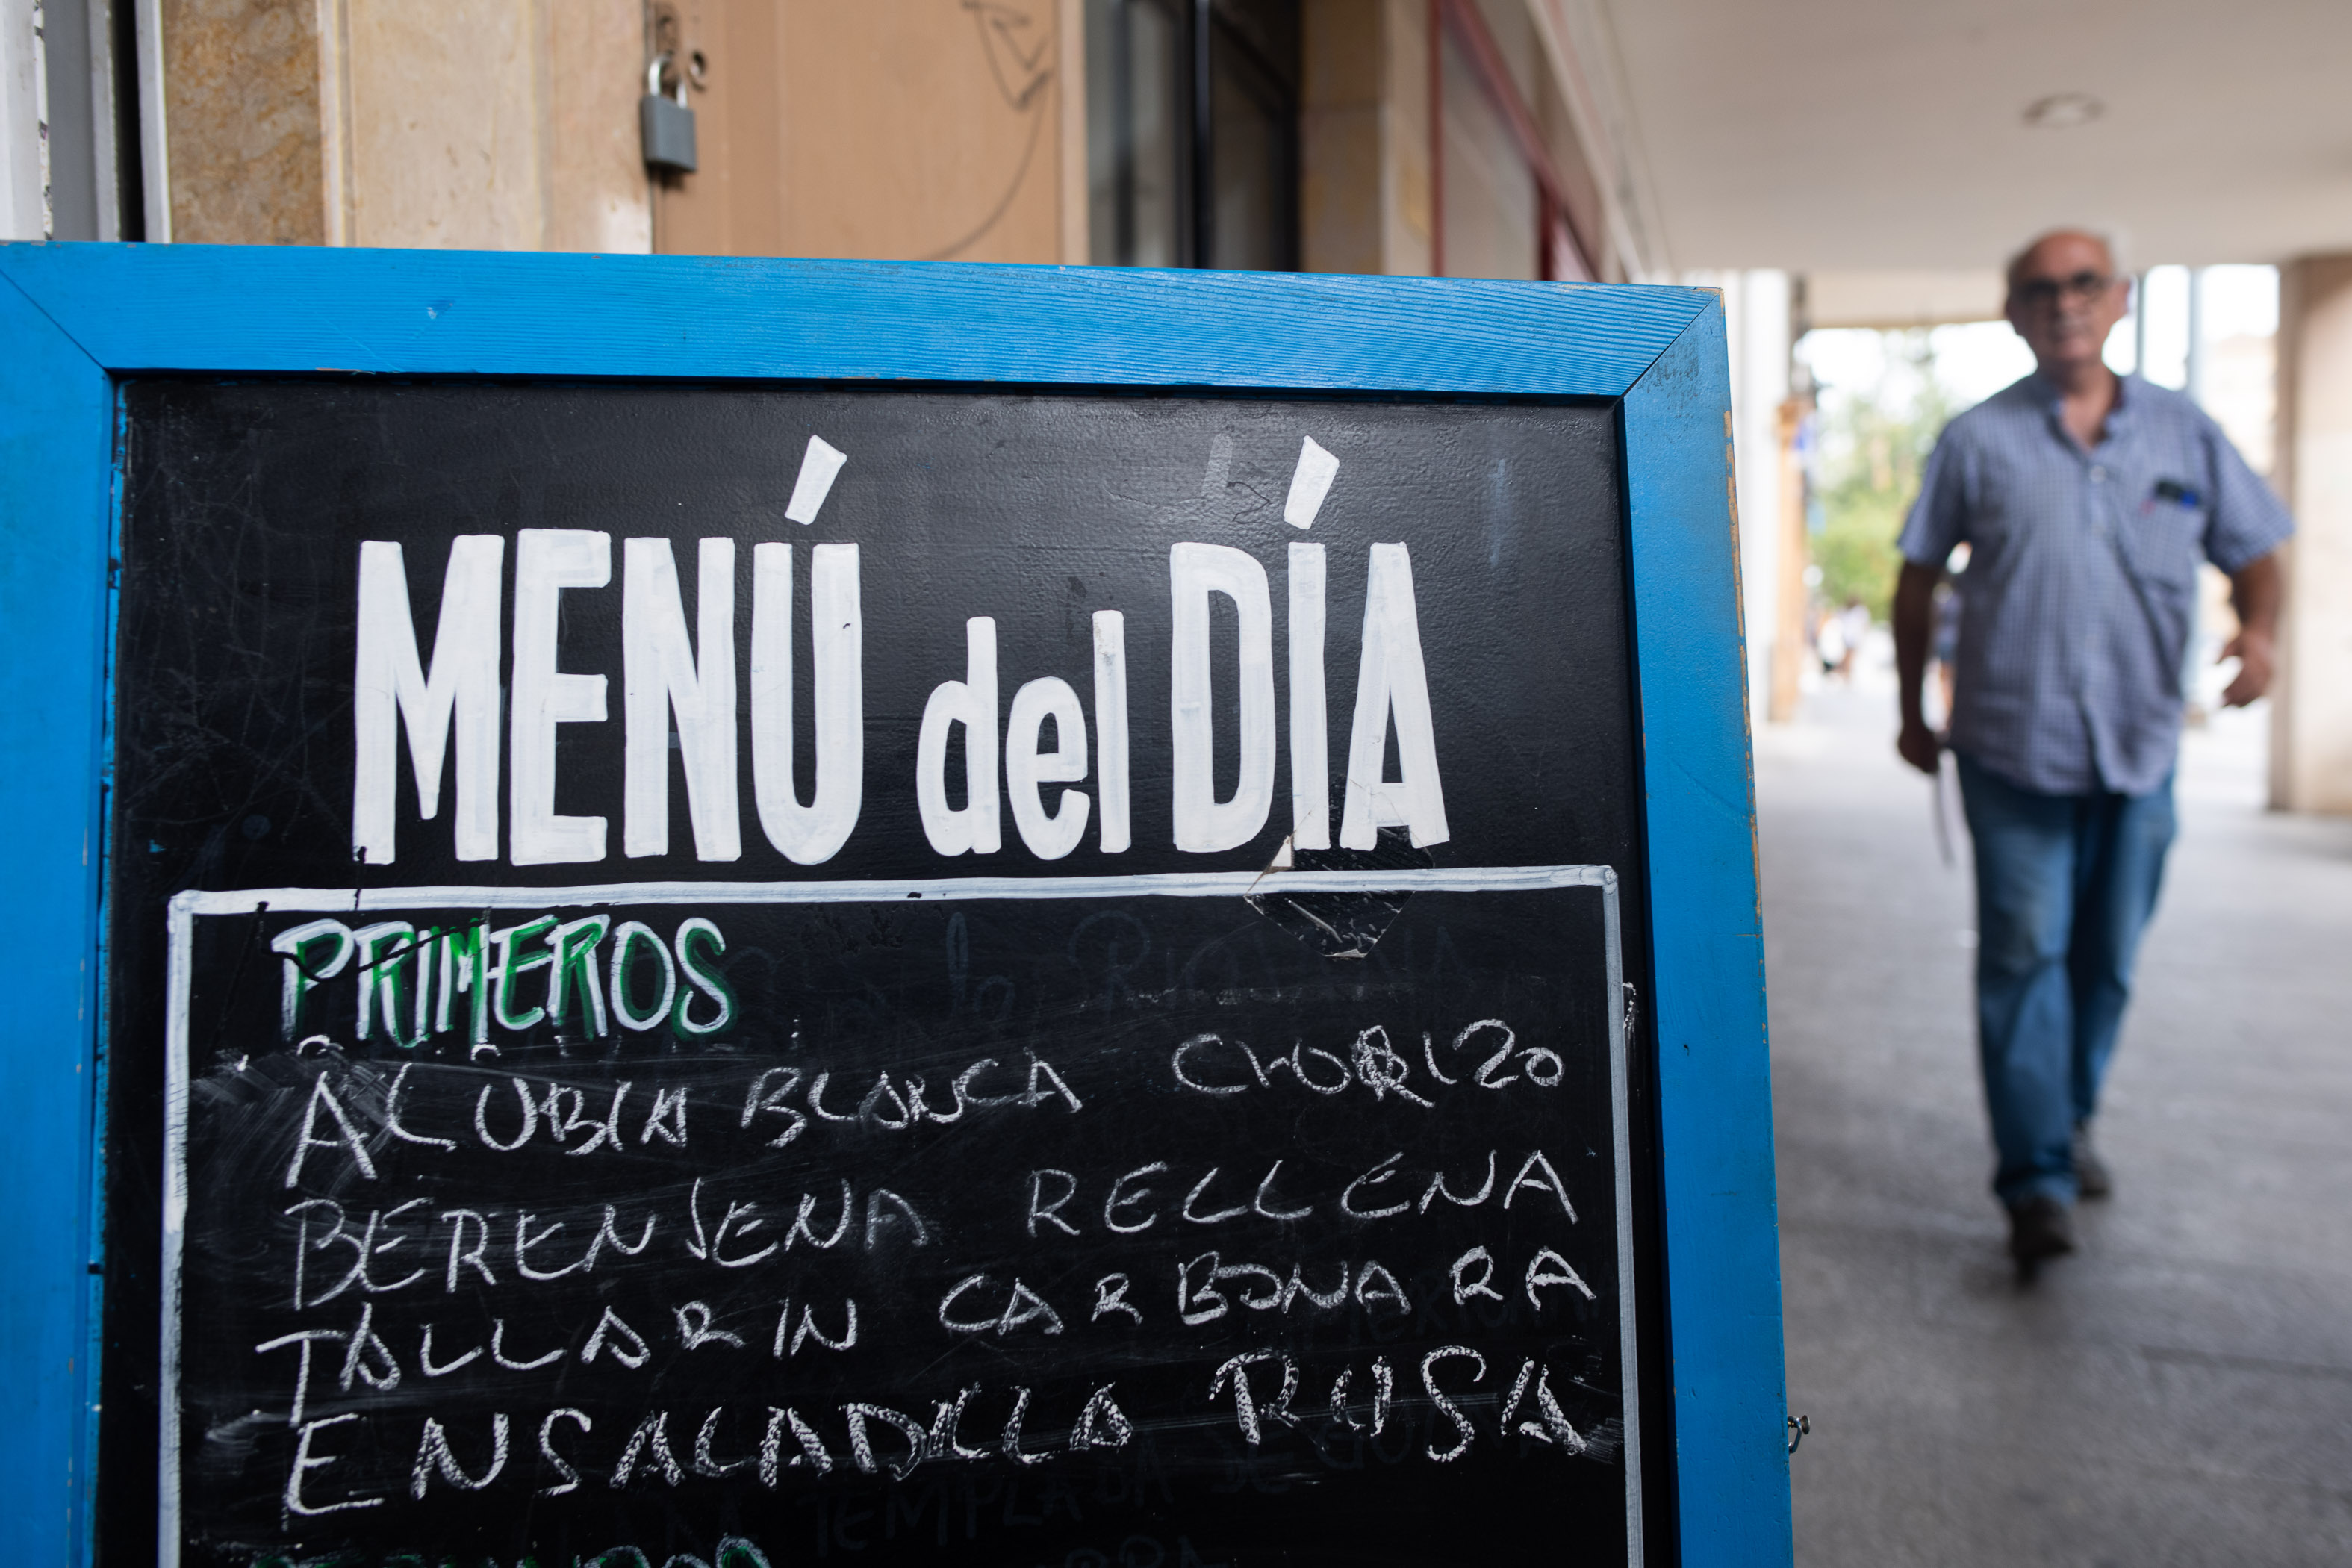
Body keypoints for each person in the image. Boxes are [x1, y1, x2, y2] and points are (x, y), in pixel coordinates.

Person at [1891, 231, 2289, 1271]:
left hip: (2139, 748)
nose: (2063, 303)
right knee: (2022, 955)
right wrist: (1907, 710)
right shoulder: (1974, 440)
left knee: (2104, 961)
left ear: (2117, 301)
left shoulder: (2183, 432)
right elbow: (1916, 577)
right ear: (2012, 313)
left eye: (2082, 284)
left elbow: (2255, 552)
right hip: (2008, 746)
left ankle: (2066, 1118)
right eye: (2038, 289)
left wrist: (2258, 633)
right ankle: (2033, 1181)